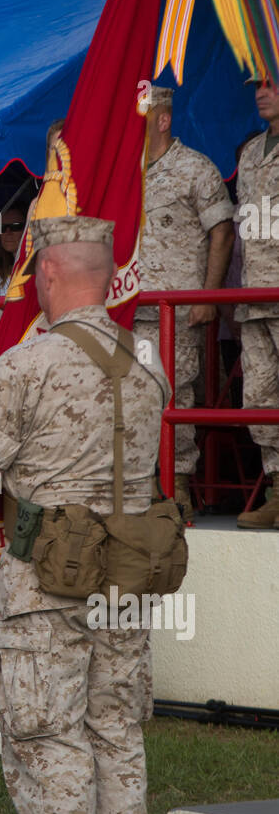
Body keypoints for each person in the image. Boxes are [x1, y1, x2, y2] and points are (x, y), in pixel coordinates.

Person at [0, 216, 170, 814]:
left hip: (47, 579)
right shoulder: (148, 363)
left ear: (46, 273)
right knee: (115, 727)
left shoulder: (25, 365)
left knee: (46, 733)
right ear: (108, 276)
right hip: (127, 573)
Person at [133, 86, 234, 520]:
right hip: (132, 312)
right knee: (135, 399)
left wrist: (208, 296)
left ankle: (176, 489)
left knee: (174, 400)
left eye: (143, 114)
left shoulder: (195, 169)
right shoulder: (125, 171)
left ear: (163, 119)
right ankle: (141, 488)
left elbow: (223, 232)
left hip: (176, 312)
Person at [235, 77, 279, 527]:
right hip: (254, 295)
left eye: (272, 85)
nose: (261, 93)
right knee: (261, 397)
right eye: (259, 86)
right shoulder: (250, 153)